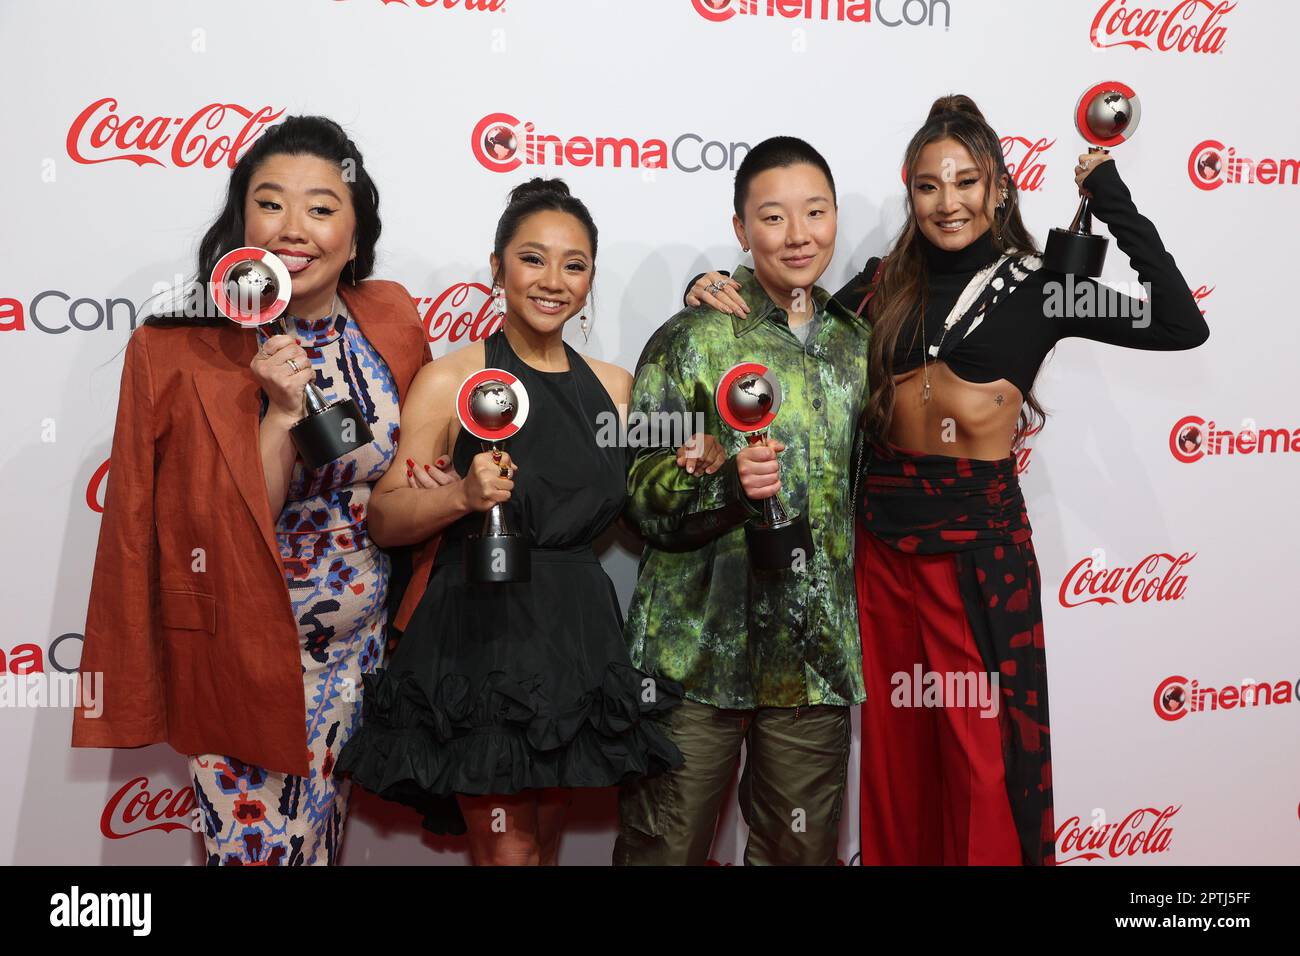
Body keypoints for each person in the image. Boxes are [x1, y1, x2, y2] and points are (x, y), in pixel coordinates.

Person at [686, 95, 1209, 865]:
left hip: (977, 554)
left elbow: (1179, 324)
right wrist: (708, 288)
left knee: (980, 754)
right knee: (899, 753)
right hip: (884, 548)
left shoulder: (1042, 286)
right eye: (929, 186)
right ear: (912, 195)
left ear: (997, 187)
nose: (948, 201)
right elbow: (790, 318)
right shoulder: (880, 284)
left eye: (965, 182)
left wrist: (1114, 200)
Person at [71, 116, 433, 865]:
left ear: (357, 236)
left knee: (321, 849)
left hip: (360, 661)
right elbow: (198, 525)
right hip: (247, 662)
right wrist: (282, 415)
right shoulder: (173, 350)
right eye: (271, 203)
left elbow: (406, 468)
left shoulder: (391, 320)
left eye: (323, 207)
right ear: (240, 224)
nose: (294, 228)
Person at [335, 178, 706, 866]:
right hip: (478, 630)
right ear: (498, 266)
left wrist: (690, 466)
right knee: (510, 854)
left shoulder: (617, 388)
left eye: (574, 264)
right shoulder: (452, 379)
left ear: (591, 279)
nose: (553, 280)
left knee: (542, 850)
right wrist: (461, 500)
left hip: (574, 635)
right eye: (533, 259)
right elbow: (385, 516)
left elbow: (645, 504)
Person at [614, 137, 871, 866]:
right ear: (740, 230)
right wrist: (723, 485)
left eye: (815, 212)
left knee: (800, 855)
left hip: (809, 662)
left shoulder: (857, 344)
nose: (798, 235)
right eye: (773, 216)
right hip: (694, 654)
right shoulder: (693, 338)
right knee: (660, 852)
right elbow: (640, 497)